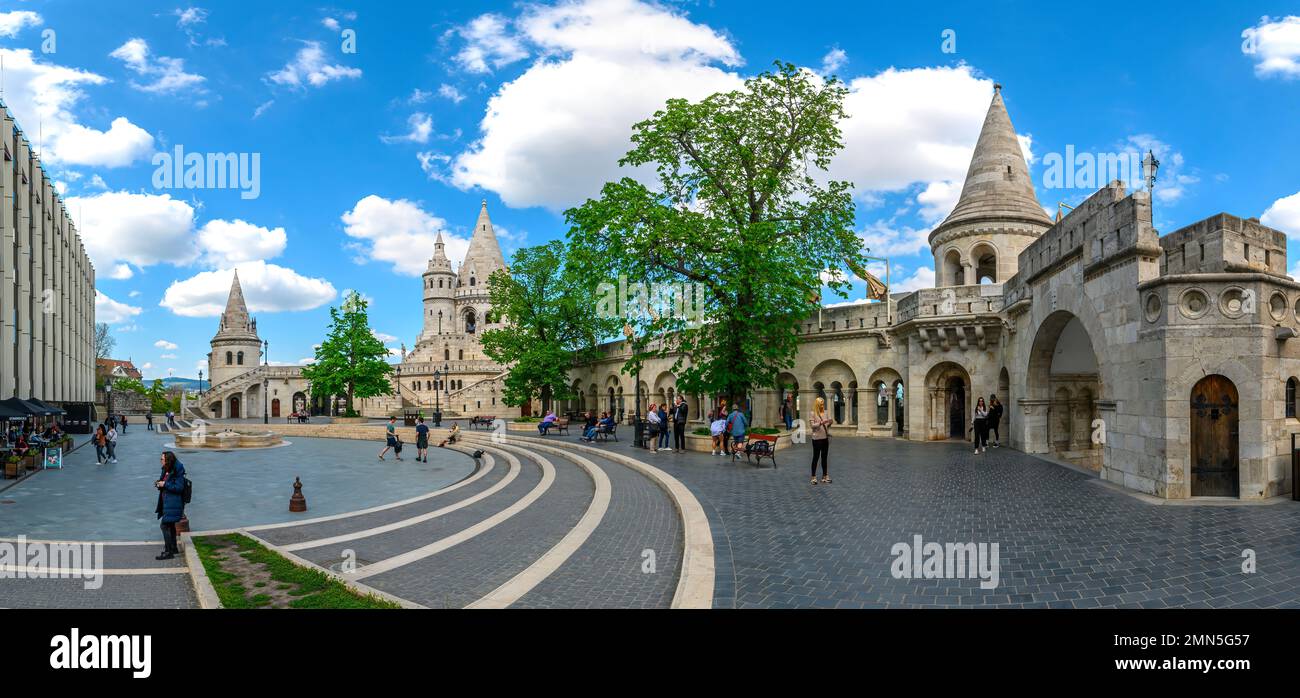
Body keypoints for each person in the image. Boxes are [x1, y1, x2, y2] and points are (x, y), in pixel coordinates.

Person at [154, 451, 187, 560]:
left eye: (162, 459)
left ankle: (168, 552)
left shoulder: (177, 469)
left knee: (164, 525)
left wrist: (165, 484)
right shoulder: (166, 469)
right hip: (166, 502)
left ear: (168, 460)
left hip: (174, 503)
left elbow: (179, 488)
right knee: (170, 525)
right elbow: (164, 482)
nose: (160, 461)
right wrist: (159, 484)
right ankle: (173, 548)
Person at [809, 396, 833, 484]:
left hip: (825, 438)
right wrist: (820, 423)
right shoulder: (813, 413)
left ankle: (825, 476)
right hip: (816, 439)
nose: (822, 405)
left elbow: (827, 425)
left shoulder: (826, 413)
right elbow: (812, 426)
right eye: (821, 404)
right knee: (816, 457)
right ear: (817, 404)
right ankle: (813, 477)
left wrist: (830, 422)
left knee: (824, 458)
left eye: (823, 403)